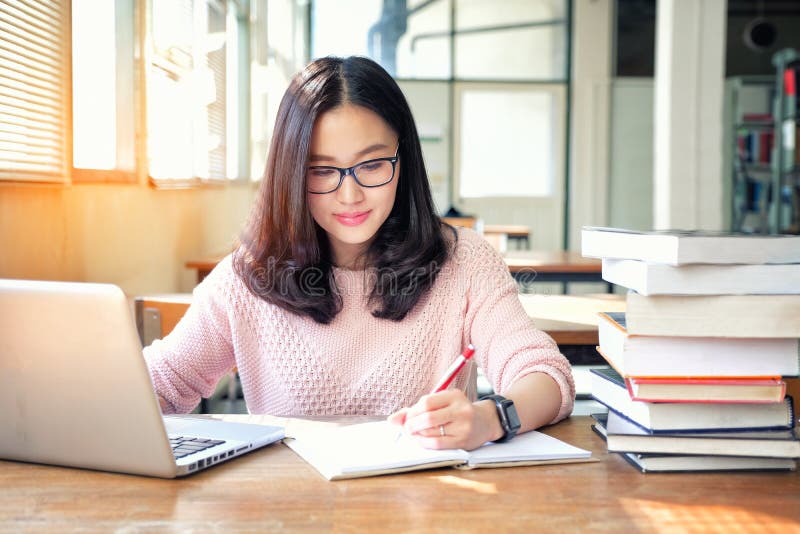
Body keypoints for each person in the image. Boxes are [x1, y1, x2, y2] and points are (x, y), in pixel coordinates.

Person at [144, 55, 574, 451]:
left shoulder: (464, 262)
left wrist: (490, 418)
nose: (350, 195)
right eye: (322, 170)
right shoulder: (247, 278)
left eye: (371, 165)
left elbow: (545, 376)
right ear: (290, 174)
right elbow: (160, 384)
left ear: (402, 158)